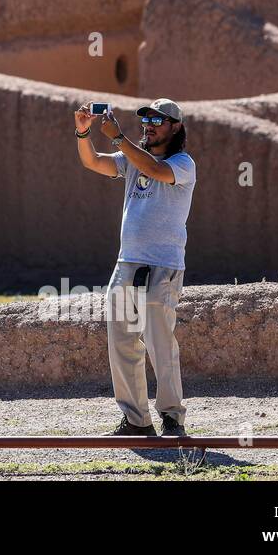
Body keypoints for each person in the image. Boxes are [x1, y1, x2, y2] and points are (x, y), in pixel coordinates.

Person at [74, 99, 196, 438]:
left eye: (159, 120)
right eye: (146, 119)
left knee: (160, 344)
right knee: (123, 343)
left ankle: (173, 418)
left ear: (176, 127)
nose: (150, 125)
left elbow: (157, 171)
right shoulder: (131, 158)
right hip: (127, 263)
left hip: (163, 265)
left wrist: (118, 139)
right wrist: (83, 132)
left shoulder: (183, 163)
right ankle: (136, 421)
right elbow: (92, 161)